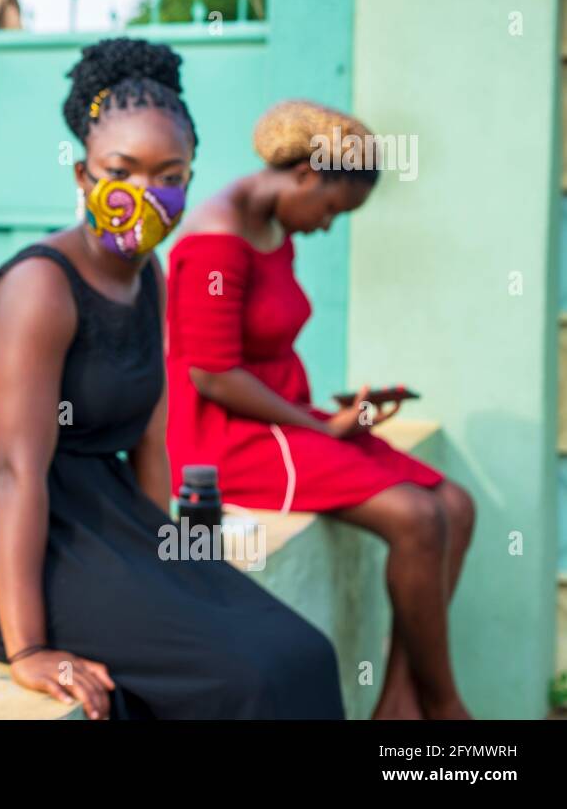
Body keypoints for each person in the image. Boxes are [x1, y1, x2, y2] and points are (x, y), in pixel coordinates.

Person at [0, 39, 345, 719]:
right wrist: (28, 651)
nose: (146, 195)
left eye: (170, 175)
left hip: (99, 521)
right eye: (122, 171)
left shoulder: (151, 279)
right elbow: (14, 474)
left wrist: (171, 560)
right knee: (244, 677)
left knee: (303, 650)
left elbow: (149, 441)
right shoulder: (41, 287)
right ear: (83, 175)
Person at [166, 99, 476, 720]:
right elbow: (213, 374)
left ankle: (397, 704)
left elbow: (264, 344)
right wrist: (318, 425)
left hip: (282, 417)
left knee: (455, 507)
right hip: (225, 438)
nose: (328, 226)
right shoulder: (217, 241)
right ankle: (444, 708)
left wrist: (338, 414)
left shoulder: (273, 227)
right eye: (332, 208)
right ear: (308, 174)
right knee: (417, 518)